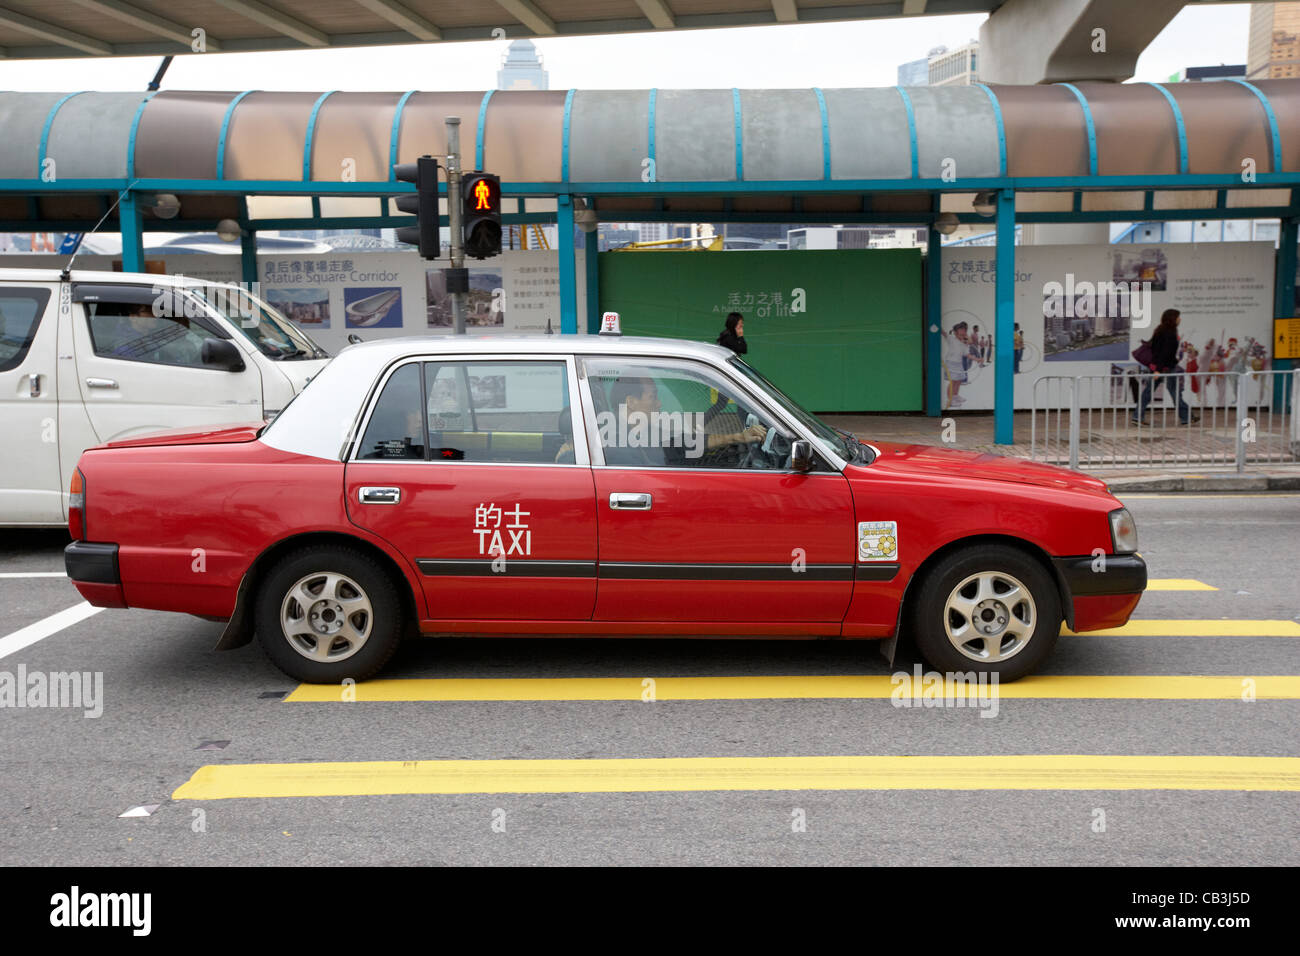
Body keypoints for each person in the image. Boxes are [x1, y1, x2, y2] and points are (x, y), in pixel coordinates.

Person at [1134, 308, 1198, 425]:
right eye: (1178, 317)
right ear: (1172, 319)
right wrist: (1158, 370)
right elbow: (1164, 352)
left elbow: (1156, 350)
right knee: (1173, 392)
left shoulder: (1160, 330)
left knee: (1149, 392)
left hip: (1158, 367)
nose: (1180, 319)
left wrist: (1157, 368)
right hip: (1165, 368)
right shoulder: (1170, 333)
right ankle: (1186, 417)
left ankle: (1137, 417)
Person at [943, 322, 971, 408]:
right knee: (953, 381)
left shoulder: (963, 343)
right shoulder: (951, 339)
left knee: (958, 381)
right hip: (951, 362)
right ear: (955, 333)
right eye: (960, 333)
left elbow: (968, 348)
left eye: (964, 333)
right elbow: (944, 333)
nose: (962, 335)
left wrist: (977, 359)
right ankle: (950, 400)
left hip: (958, 363)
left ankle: (955, 396)